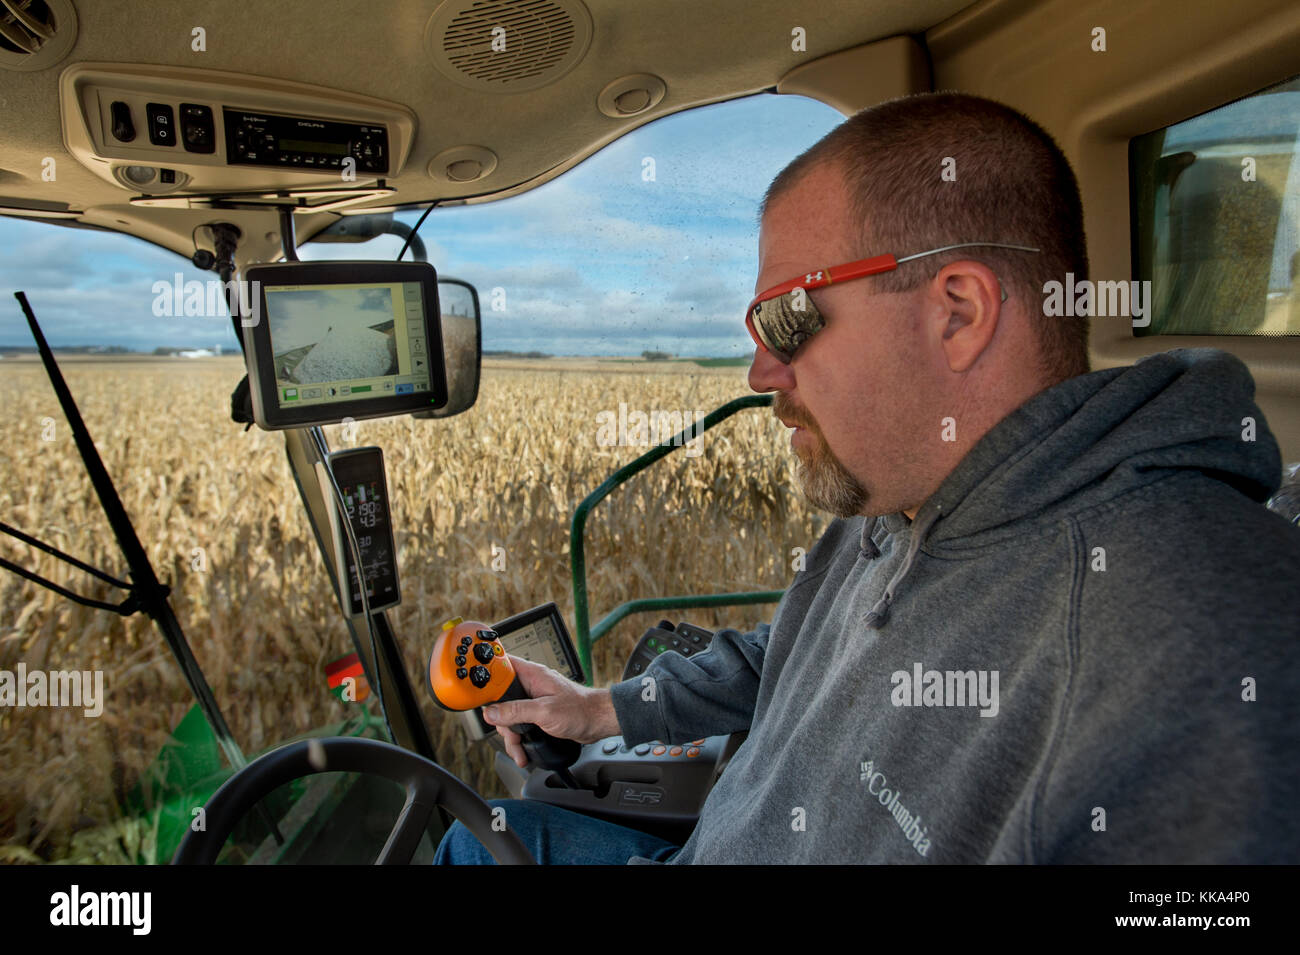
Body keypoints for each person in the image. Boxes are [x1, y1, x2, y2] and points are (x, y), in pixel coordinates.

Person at [435, 91, 1300, 864]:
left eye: (787, 317)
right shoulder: (892, 493)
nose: (759, 372)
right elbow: (796, 650)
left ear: (957, 314)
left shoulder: (1193, 656)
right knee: (475, 837)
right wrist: (603, 709)